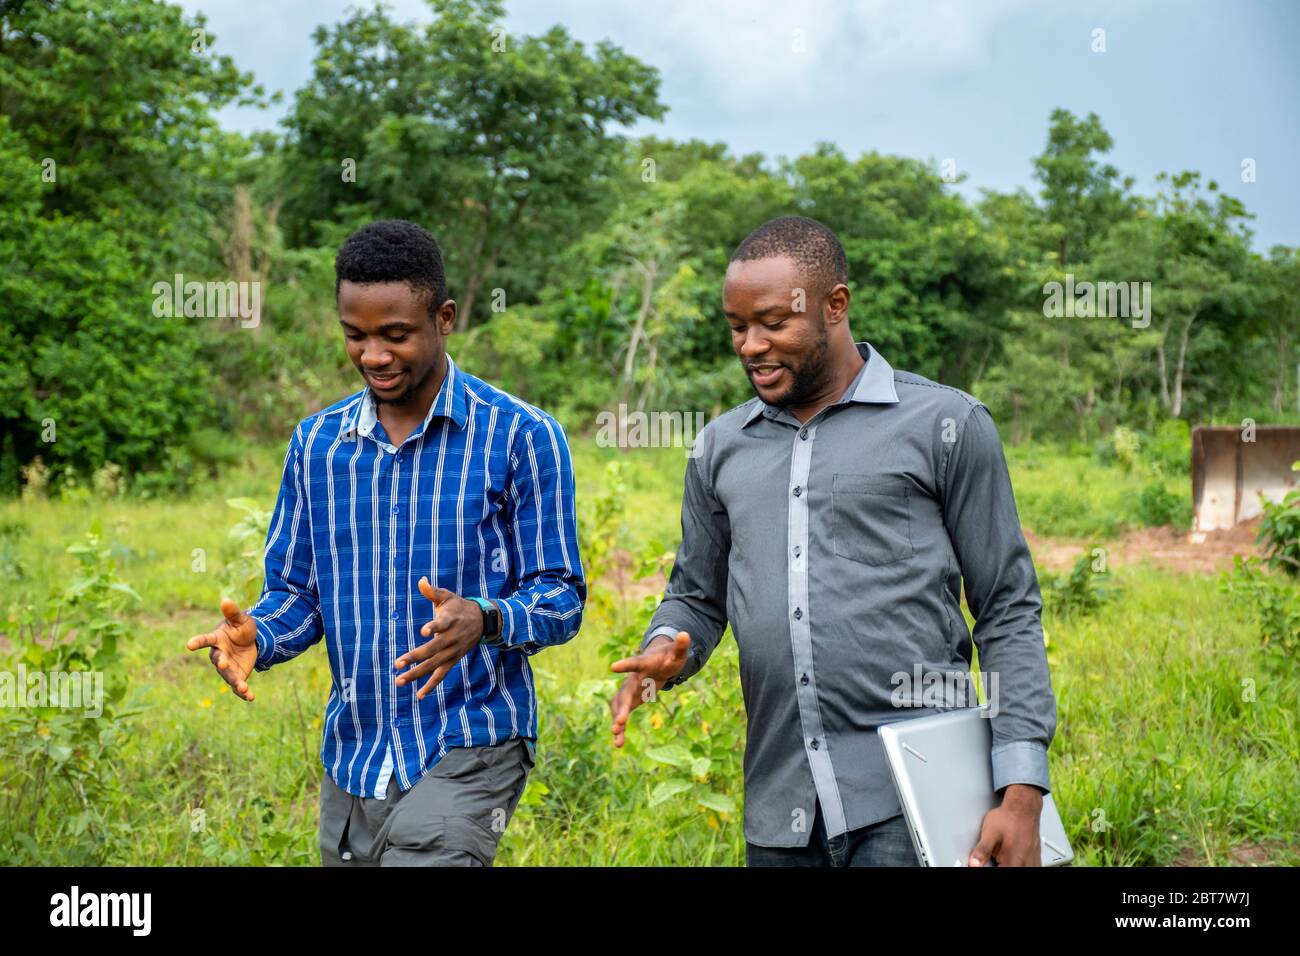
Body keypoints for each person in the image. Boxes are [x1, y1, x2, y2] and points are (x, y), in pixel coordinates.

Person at [609, 215, 1056, 867]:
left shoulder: (947, 425)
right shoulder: (720, 449)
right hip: (781, 807)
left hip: (917, 801)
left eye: (772, 322)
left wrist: (1021, 795)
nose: (751, 346)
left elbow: (1008, 610)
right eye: (737, 327)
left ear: (835, 306)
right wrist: (663, 651)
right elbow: (697, 598)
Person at [187, 219, 585, 866]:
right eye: (355, 334)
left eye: (395, 334)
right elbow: (298, 594)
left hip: (472, 739)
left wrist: (484, 618)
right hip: (356, 754)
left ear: (445, 318)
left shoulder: (521, 437)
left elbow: (561, 596)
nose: (373, 355)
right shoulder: (317, 445)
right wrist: (258, 635)